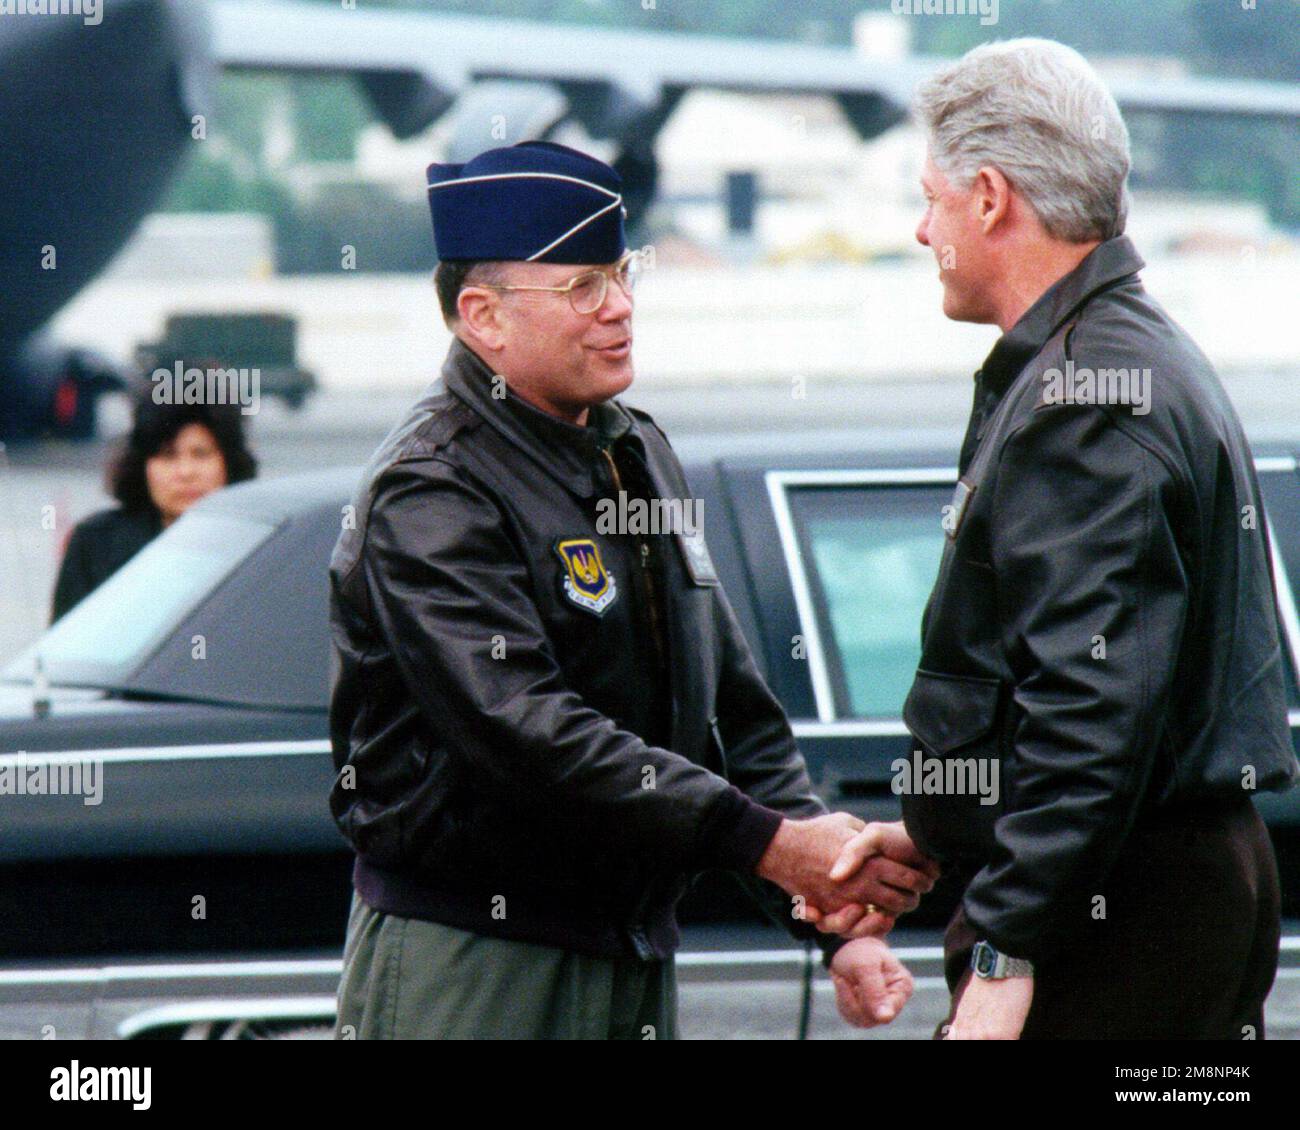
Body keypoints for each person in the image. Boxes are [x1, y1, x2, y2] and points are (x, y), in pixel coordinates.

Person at [328, 140, 938, 1039]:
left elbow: (727, 706)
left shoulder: (634, 452)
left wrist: (828, 915)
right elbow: (527, 732)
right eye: (583, 287)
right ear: (483, 317)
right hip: (479, 962)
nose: (619, 309)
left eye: (621, 276)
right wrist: (772, 846)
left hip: (630, 955)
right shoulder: (433, 489)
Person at [826, 39, 1298, 1039]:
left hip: (1115, 911)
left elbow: (1090, 709)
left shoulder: (1081, 400)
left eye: (932, 198)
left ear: (989, 198)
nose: (921, 229)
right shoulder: (1130, 353)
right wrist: (932, 827)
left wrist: (1004, 945)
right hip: (1155, 881)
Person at [51, 393, 257, 621]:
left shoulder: (258, 543)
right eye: (168, 456)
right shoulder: (95, 542)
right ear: (142, 466)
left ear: (229, 463)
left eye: (201, 454)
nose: (186, 472)